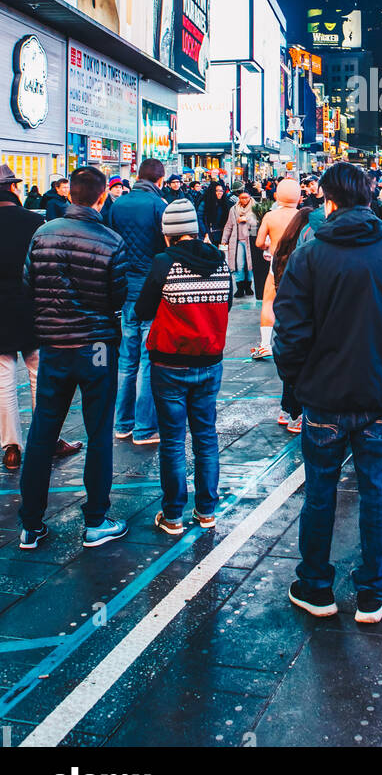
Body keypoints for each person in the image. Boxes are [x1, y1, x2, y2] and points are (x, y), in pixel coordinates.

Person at [272, 163, 382, 623]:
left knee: (320, 493)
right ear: (370, 198)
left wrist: (300, 379)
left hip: (323, 397)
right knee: (375, 493)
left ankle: (315, 586)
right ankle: (373, 590)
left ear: (329, 200)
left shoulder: (309, 255)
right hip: (378, 396)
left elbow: (288, 332)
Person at [19, 167, 128, 550]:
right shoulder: (111, 241)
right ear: (101, 197)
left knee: (42, 432)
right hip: (96, 345)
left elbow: (29, 284)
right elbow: (117, 298)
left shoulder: (42, 233)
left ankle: (30, 524)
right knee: (99, 432)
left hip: (53, 344)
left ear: (70, 194)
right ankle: (96, 520)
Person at [134, 198, 233, 535]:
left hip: (170, 363)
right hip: (210, 360)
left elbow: (143, 310)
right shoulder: (221, 262)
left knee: (173, 441)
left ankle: (173, 515)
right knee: (206, 437)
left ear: (169, 234)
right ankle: (206, 511)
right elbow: (227, 303)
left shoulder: (164, 262)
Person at [0, 165, 80, 471]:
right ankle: (48, 440)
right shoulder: (34, 222)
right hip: (30, 307)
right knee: (40, 376)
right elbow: (48, 268)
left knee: (3, 380)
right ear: (13, 189)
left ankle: (10, 447)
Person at [110, 157, 167, 445]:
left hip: (125, 288)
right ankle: (145, 428)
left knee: (126, 360)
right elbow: (166, 248)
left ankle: (122, 423)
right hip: (151, 288)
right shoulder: (159, 206)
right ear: (159, 179)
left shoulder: (118, 204)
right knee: (148, 359)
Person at [265, 210, 310, 432]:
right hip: (299, 310)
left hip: (284, 311)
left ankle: (286, 409)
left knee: (287, 361)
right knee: (301, 364)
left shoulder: (282, 250)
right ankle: (297, 414)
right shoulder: (305, 253)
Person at [252, 178, 303, 358]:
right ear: (299, 197)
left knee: (268, 301)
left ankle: (266, 344)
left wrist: (268, 245)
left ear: (277, 196)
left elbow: (258, 242)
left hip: (277, 263)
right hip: (299, 263)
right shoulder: (302, 217)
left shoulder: (270, 216)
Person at [221, 189, 258, 296]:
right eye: (242, 198)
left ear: (250, 197)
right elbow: (229, 226)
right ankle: (240, 287)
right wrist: (224, 240)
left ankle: (248, 286)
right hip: (237, 241)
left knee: (250, 265)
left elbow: (258, 223)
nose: (244, 200)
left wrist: (247, 219)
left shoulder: (255, 208)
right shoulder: (233, 209)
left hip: (251, 240)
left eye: (246, 197)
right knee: (239, 264)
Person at [200, 181, 229, 246]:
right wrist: (205, 233)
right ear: (213, 191)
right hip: (209, 234)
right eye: (217, 191)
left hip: (221, 234)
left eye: (221, 191)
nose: (220, 193)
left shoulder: (224, 203)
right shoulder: (205, 203)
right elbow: (200, 219)